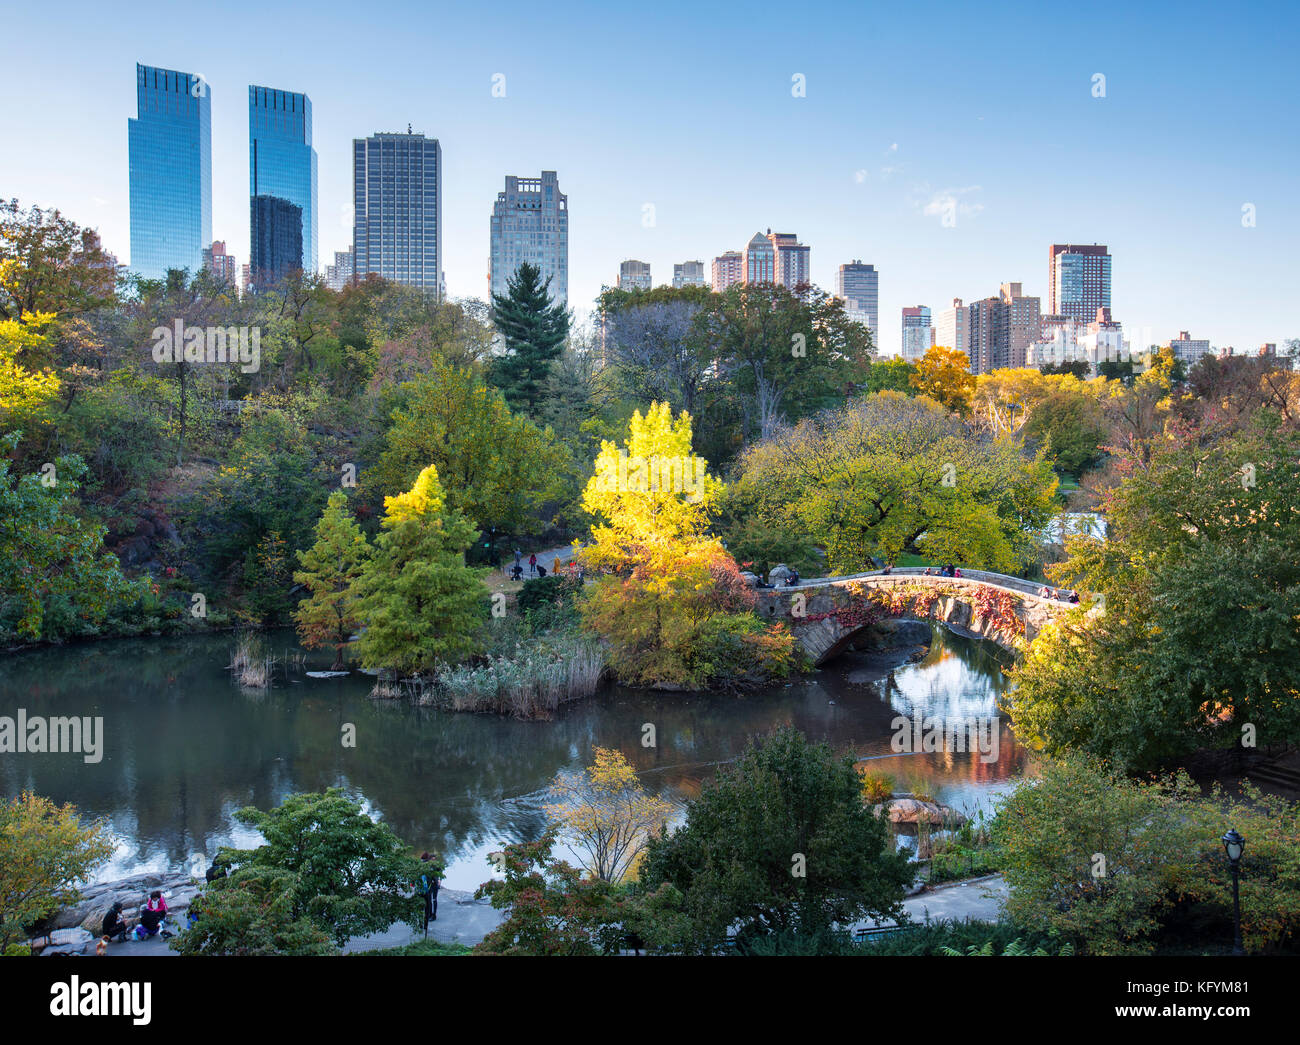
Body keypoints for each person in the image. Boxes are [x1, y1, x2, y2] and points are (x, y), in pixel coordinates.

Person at [419, 852, 442, 936]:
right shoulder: (428, 865)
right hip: (429, 887)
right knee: (429, 903)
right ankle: (428, 919)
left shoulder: (430, 865)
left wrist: (438, 880)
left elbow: (438, 873)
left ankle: (432, 915)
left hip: (429, 887)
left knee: (432, 900)